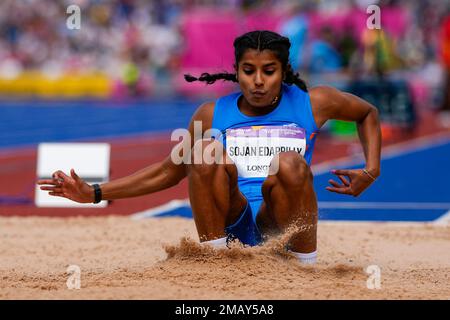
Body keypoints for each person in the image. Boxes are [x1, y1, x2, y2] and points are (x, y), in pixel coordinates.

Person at [37, 30, 381, 265]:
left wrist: (371, 169)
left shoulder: (314, 102)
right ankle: (215, 265)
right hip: (234, 221)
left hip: (282, 221)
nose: (258, 81)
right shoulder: (212, 113)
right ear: (237, 71)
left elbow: (367, 112)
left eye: (268, 71)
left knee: (290, 164)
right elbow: (169, 171)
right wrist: (95, 192)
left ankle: (305, 267)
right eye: (248, 71)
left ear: (283, 72)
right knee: (204, 153)